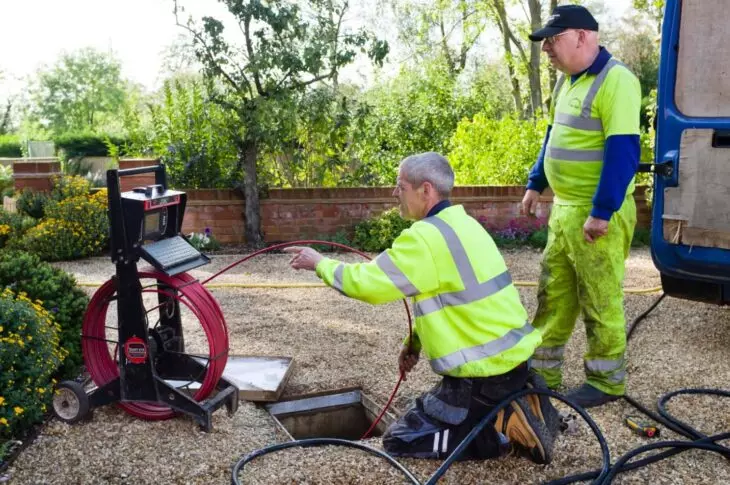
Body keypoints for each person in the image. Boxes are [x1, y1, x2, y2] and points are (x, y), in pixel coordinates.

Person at [285, 152, 559, 463]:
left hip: (483, 377)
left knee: (401, 440)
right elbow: (452, 302)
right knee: (424, 415)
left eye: (400, 186)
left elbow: (368, 283)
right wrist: (413, 344)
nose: (394, 193)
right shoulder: (465, 225)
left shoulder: (426, 238)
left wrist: (318, 262)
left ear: (425, 190)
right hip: (511, 364)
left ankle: (500, 428)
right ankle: (516, 397)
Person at [524, 5, 641, 408]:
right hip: (565, 210)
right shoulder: (566, 83)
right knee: (553, 293)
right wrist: (536, 183)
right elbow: (553, 137)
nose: (547, 51)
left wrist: (603, 211)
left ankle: (606, 382)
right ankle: (542, 373)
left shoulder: (617, 81)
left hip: (596, 214)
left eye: (552, 41)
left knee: (600, 297)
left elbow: (623, 153)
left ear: (581, 36)